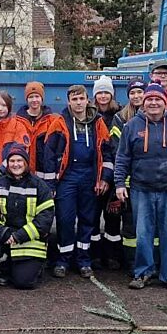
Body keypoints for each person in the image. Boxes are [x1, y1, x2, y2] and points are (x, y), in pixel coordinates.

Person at [114, 83, 167, 290]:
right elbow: (122, 157)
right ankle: (143, 272)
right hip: (141, 188)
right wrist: (119, 183)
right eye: (149, 99)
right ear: (143, 103)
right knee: (143, 233)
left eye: (157, 99)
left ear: (164, 102)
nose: (153, 103)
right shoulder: (132, 125)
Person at [44, 85, 113, 279]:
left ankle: (83, 260)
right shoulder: (59, 122)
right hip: (67, 178)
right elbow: (49, 156)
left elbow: (107, 151)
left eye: (81, 98)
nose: (78, 103)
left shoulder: (98, 122)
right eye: (74, 99)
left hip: (90, 177)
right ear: (68, 102)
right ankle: (63, 260)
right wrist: (51, 185)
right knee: (65, 220)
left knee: (88, 220)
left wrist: (105, 178)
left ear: (87, 100)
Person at [0, 146, 55, 289]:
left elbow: (45, 218)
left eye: (19, 160)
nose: (15, 164)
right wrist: (2, 232)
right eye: (11, 161)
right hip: (5, 237)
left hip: (29, 241)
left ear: (26, 163)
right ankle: (5, 267)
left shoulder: (39, 186)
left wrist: (20, 235)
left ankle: (33, 268)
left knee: (24, 283)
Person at [90, 75, 125, 270]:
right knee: (92, 217)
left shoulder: (119, 116)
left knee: (113, 218)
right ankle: (95, 255)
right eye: (99, 93)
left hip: (113, 176)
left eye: (106, 92)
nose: (103, 96)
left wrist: (112, 178)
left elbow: (117, 150)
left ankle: (112, 256)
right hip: (94, 175)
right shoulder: (90, 116)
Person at [112, 80, 145, 269]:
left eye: (140, 92)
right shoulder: (120, 118)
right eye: (133, 93)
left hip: (146, 180)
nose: (137, 96)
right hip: (129, 181)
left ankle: (149, 262)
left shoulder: (155, 117)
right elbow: (117, 151)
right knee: (130, 223)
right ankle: (131, 262)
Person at [0, 90, 34, 184]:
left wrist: (2, 169)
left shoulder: (18, 126)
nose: (0, 109)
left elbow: (20, 150)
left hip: (12, 176)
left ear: (9, 107)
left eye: (4, 105)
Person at [18, 81, 57, 186]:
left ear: (42, 98)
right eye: (31, 97)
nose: (34, 100)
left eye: (37, 96)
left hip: (43, 177)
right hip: (20, 175)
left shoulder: (52, 121)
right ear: (26, 99)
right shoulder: (17, 121)